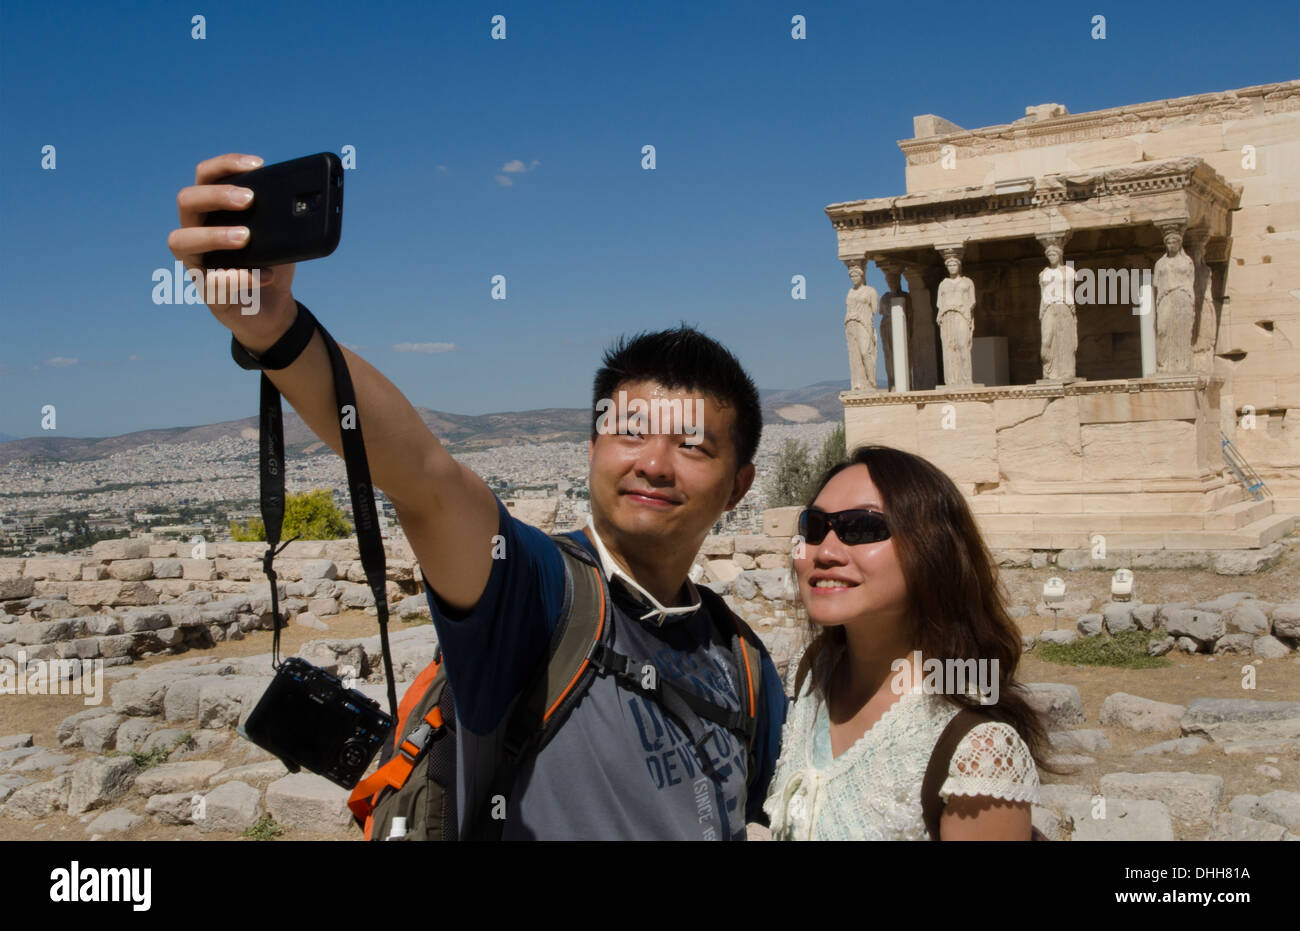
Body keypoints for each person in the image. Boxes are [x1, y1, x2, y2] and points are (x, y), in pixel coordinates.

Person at [168, 153, 786, 840]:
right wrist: (276, 330)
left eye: (692, 445)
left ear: (738, 486)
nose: (654, 463)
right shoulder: (540, 592)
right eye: (629, 431)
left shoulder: (746, 664)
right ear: (591, 451)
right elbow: (427, 480)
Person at [764, 444, 1049, 840]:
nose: (824, 552)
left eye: (862, 527)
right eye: (814, 527)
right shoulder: (812, 673)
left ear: (933, 551)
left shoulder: (978, 755)